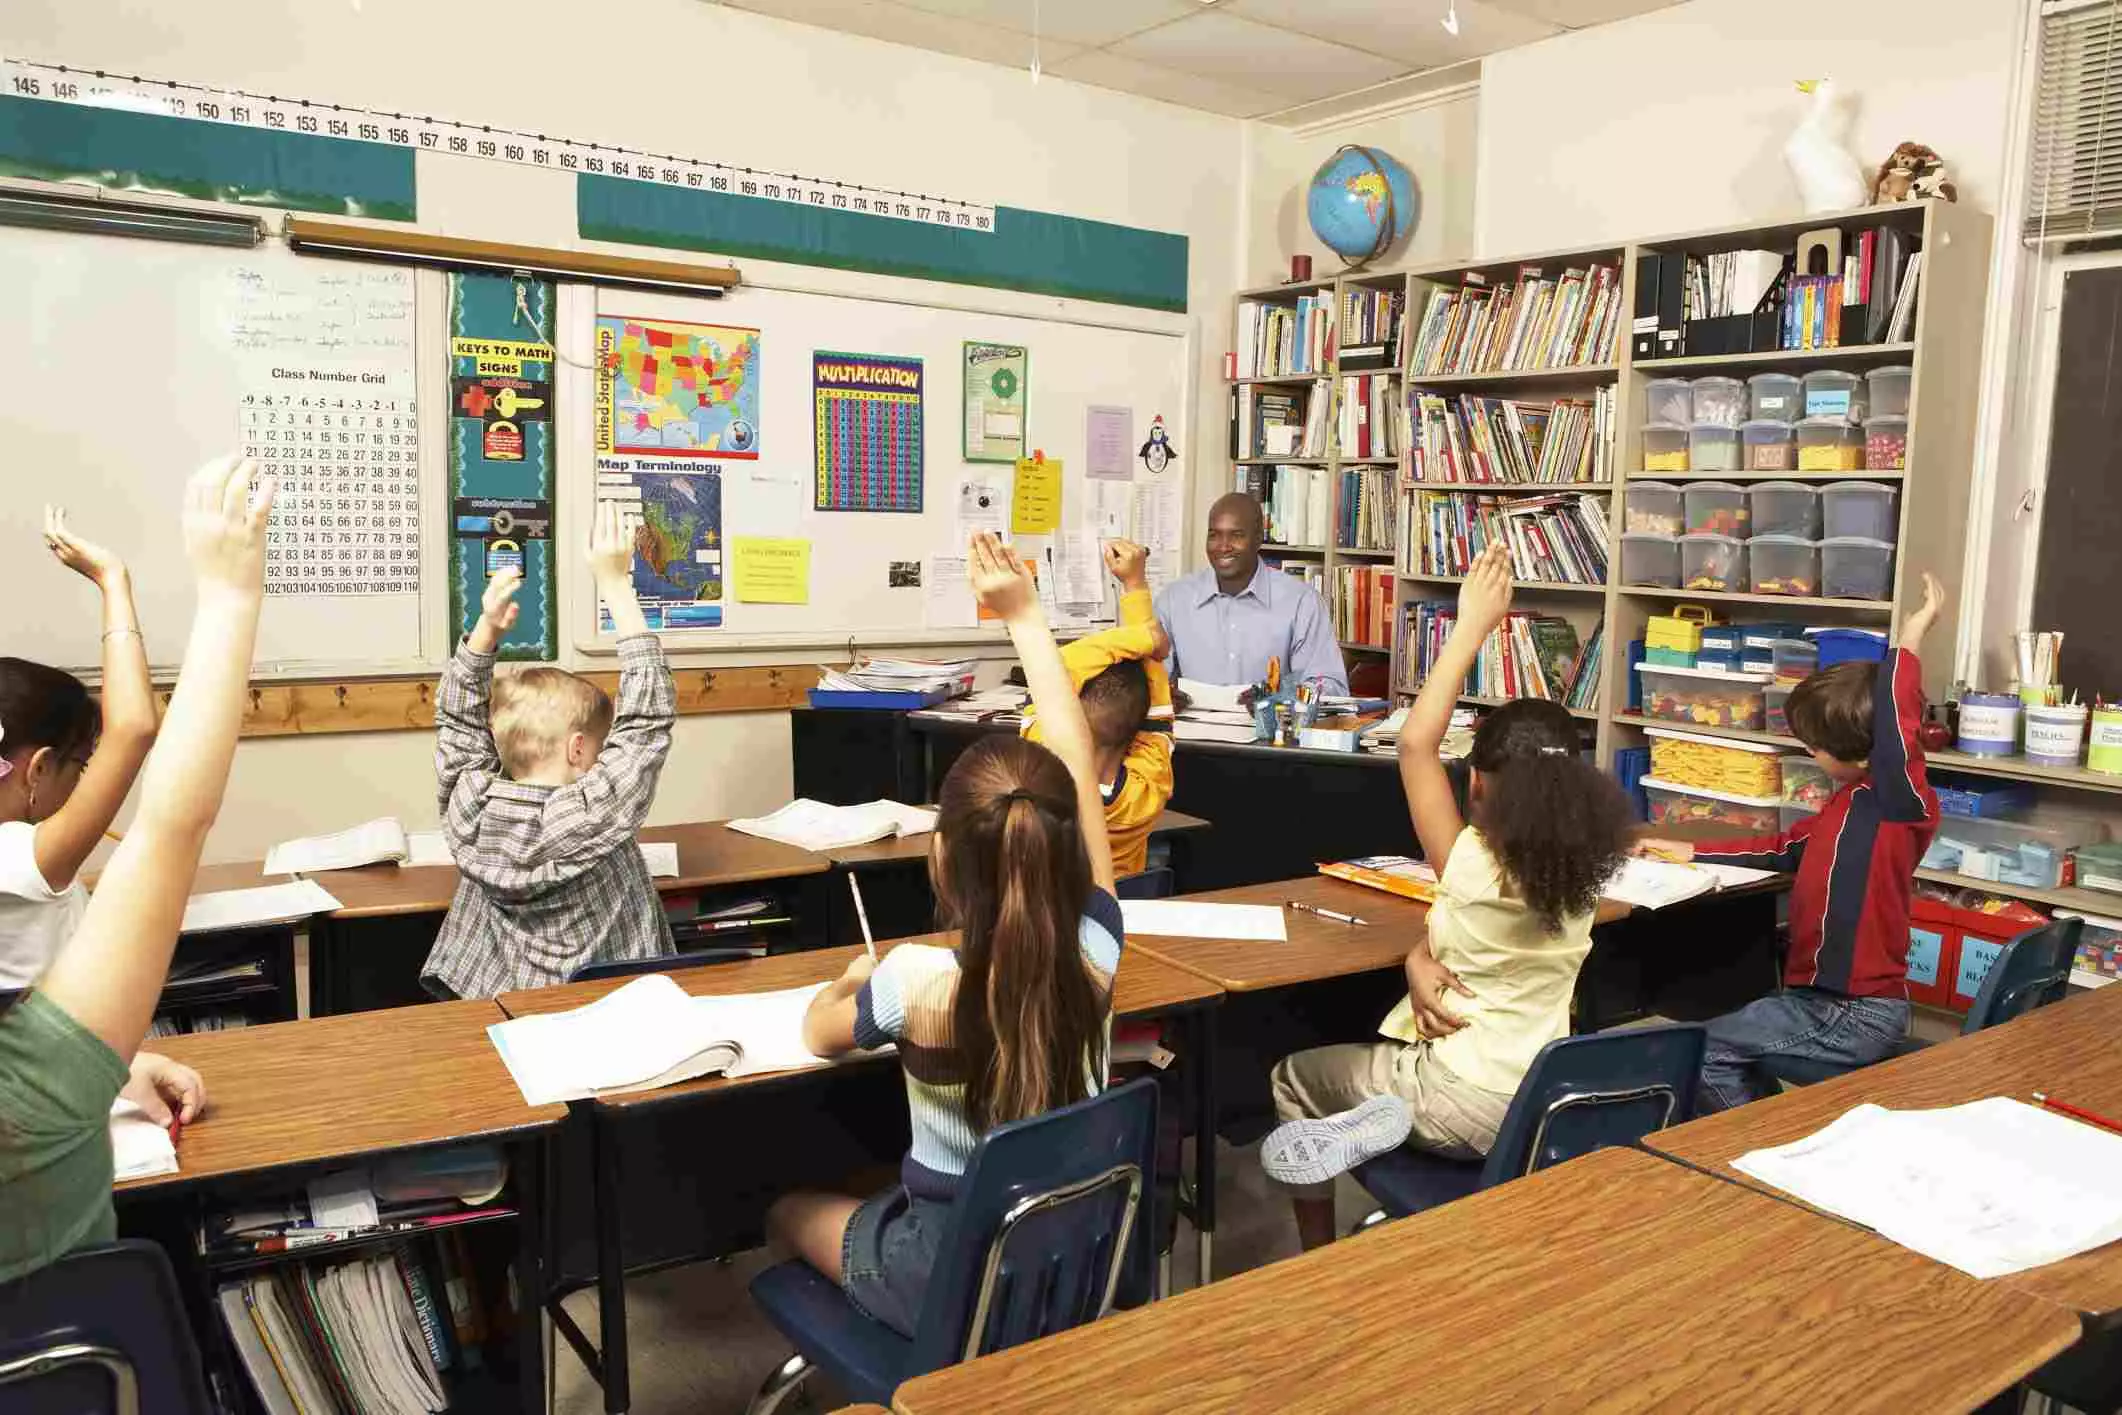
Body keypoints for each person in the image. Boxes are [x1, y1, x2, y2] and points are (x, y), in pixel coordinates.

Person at [765, 530, 1121, 1338]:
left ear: (940, 854)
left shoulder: (911, 982)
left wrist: (849, 984)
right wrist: (1026, 618)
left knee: (788, 1209)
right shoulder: (1099, 947)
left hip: (944, 1276)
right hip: (1071, 1258)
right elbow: (1073, 757)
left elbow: (816, 1036)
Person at [1256, 543, 1633, 1248]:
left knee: (1292, 1077)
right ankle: (1390, 1120)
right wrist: (1417, 953)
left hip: (1463, 1098)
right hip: (1547, 1100)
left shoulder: (1468, 862)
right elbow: (1468, 935)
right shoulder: (1587, 876)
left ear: (1481, 784)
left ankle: (1314, 1256)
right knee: (1396, 1070)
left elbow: (1414, 745)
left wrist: (1470, 627)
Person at [0, 456, 270, 1281]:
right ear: (36, 767)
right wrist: (226, 595)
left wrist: (114, 1062)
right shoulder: (33, 1087)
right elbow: (168, 817)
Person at [1640, 573, 1947, 1111]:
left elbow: (1900, 730)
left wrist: (1912, 639)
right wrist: (1695, 852)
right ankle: (1768, 1125)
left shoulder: (1900, 802)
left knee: (1705, 1049)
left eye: (1813, 746)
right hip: (1820, 1001)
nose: (1807, 753)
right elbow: (1784, 847)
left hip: (1854, 1011)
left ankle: (1753, 1137)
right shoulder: (1845, 805)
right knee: (1727, 1039)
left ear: (1855, 751)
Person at [421, 502, 678, 999]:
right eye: (602, 748)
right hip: (601, 1011)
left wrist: (484, 636)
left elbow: (456, 722)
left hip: (502, 1009)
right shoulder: (593, 814)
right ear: (578, 749)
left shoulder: (469, 805)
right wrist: (615, 584)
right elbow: (645, 723)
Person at [0, 509, 159, 989]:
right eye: (82, 765)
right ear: (40, 767)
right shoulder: (20, 857)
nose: (82, 781)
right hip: (50, 1061)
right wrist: (113, 581)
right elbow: (132, 728)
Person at [1023, 537, 1175, 877]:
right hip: (1119, 917)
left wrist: (1146, 639)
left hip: (1049, 918)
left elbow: (1056, 665)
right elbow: (1159, 709)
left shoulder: (1036, 771)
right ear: (1137, 735)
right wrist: (1136, 585)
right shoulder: (1146, 792)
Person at [1153, 492, 1346, 694]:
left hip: (1269, 725)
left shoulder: (1301, 602)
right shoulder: (1173, 600)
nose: (1223, 547)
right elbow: (1150, 680)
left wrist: (1278, 700)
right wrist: (1165, 695)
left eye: (1236, 535)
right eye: (1214, 535)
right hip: (1189, 725)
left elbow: (1332, 688)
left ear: (1257, 539)